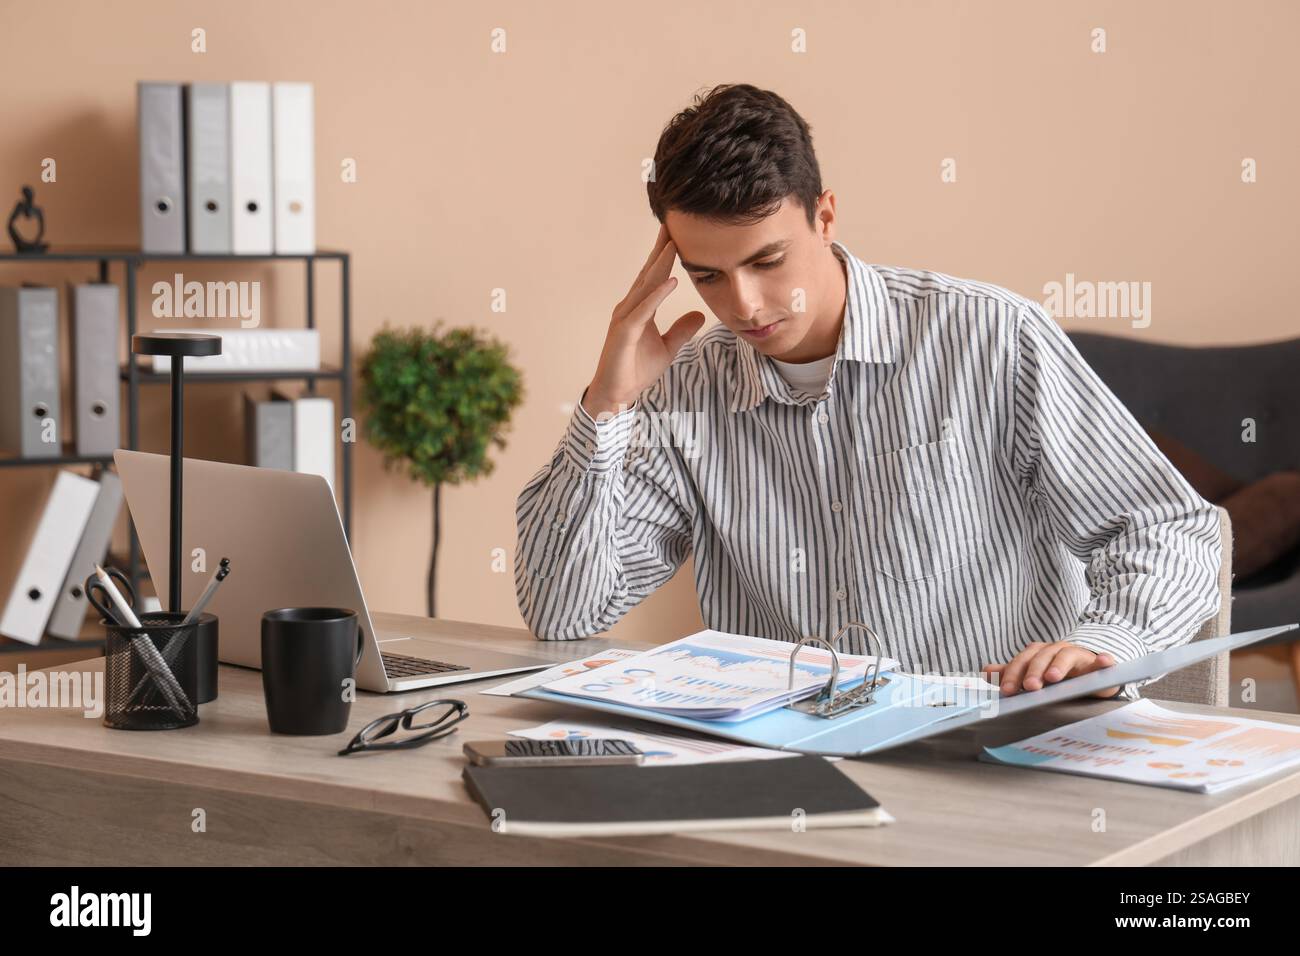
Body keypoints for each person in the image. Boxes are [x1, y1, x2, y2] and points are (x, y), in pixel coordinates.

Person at [515, 83, 1221, 700]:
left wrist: (1104, 642)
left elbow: (1167, 527)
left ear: (824, 217)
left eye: (767, 260)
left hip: (991, 751)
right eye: (708, 276)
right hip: (788, 764)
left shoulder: (991, 336)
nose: (748, 304)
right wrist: (604, 409)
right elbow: (562, 613)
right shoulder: (685, 389)